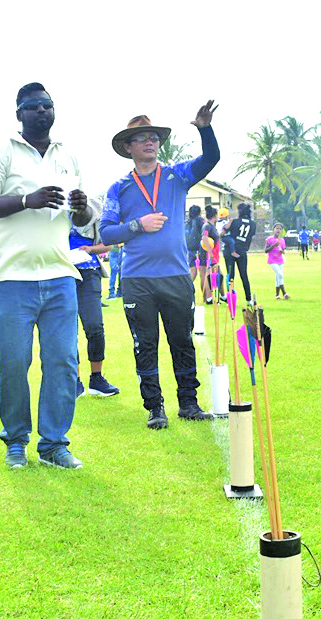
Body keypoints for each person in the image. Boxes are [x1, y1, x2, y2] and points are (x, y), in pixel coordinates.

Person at [0, 81, 91, 470]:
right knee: (12, 362)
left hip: (59, 275)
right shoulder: (2, 152)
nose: (42, 111)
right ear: (19, 113)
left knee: (63, 363)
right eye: (34, 106)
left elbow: (86, 221)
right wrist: (27, 200)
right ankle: (16, 441)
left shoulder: (68, 156)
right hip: (11, 280)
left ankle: (54, 444)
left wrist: (82, 207)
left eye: (48, 106)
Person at [100, 100, 220, 429]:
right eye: (141, 138)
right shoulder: (119, 188)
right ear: (128, 147)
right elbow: (106, 232)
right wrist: (138, 225)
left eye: (153, 136)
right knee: (146, 345)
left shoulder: (176, 176)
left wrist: (205, 130)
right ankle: (155, 407)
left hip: (177, 275)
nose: (150, 141)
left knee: (181, 340)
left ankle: (189, 404)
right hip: (138, 280)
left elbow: (211, 159)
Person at [70, 204, 120, 398]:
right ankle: (74, 381)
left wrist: (90, 249)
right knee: (68, 329)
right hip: (62, 273)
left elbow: (108, 244)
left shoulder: (92, 209)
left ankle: (97, 379)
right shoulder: (52, 209)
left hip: (89, 272)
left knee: (94, 326)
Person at [226, 203, 256, 304]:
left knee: (230, 275)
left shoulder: (234, 222)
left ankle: (229, 297)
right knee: (244, 275)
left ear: (240, 212)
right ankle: (248, 299)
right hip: (242, 251)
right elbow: (250, 237)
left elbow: (225, 233)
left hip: (231, 250)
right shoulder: (253, 224)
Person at [198, 206, 221, 304]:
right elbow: (204, 238)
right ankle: (208, 298)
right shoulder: (206, 226)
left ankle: (212, 297)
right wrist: (210, 252)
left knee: (215, 274)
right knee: (208, 275)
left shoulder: (212, 226)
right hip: (206, 254)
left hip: (213, 255)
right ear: (215, 216)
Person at [264, 224, 289, 299]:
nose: (278, 230)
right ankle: (284, 293)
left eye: (280, 229)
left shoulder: (282, 240)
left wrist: (282, 251)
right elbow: (265, 250)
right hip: (272, 260)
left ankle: (277, 295)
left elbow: (283, 249)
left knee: (278, 277)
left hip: (280, 260)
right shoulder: (269, 239)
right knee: (280, 275)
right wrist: (273, 246)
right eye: (277, 228)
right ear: (273, 230)